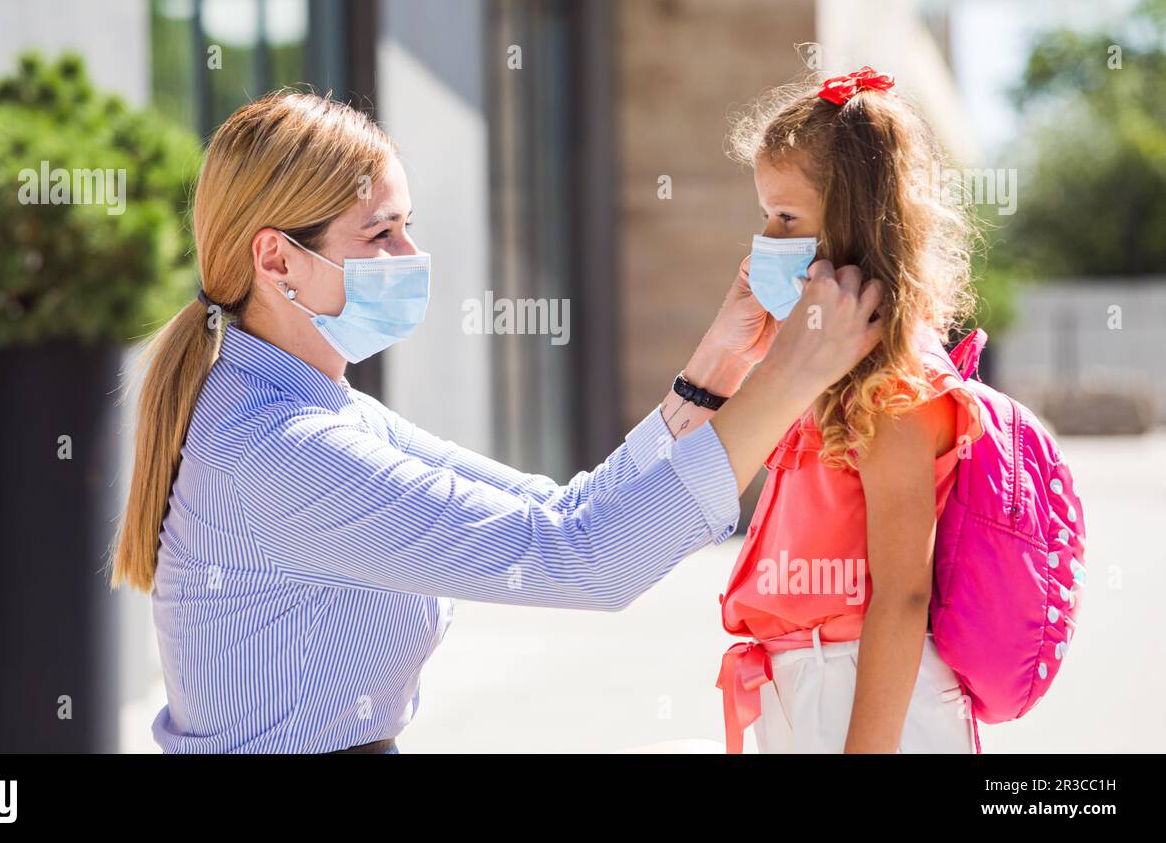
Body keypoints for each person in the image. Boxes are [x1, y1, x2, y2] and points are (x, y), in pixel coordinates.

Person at [109, 90, 883, 753]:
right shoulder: (282, 449)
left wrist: (714, 371)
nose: (412, 253)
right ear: (276, 262)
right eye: (380, 234)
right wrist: (788, 380)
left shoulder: (316, 409)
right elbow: (587, 559)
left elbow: (560, 510)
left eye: (406, 224)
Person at [715, 67, 984, 754]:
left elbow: (901, 595)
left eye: (787, 218)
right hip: (804, 682)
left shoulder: (893, 386)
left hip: (868, 698)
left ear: (853, 224)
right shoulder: (824, 374)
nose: (767, 238)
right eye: (764, 215)